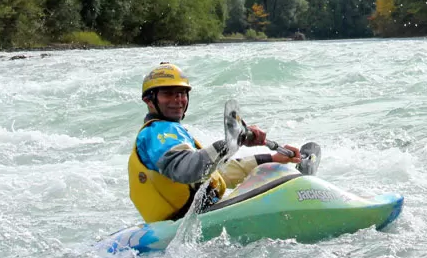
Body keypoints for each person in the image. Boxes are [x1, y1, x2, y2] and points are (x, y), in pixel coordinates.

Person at [128, 62, 301, 223]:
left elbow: (216, 175)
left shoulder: (169, 133)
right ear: (149, 100)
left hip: (191, 220)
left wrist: (272, 159)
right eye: (168, 94)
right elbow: (186, 170)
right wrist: (230, 143)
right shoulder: (158, 133)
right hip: (188, 222)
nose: (177, 100)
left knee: (263, 175)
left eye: (181, 94)